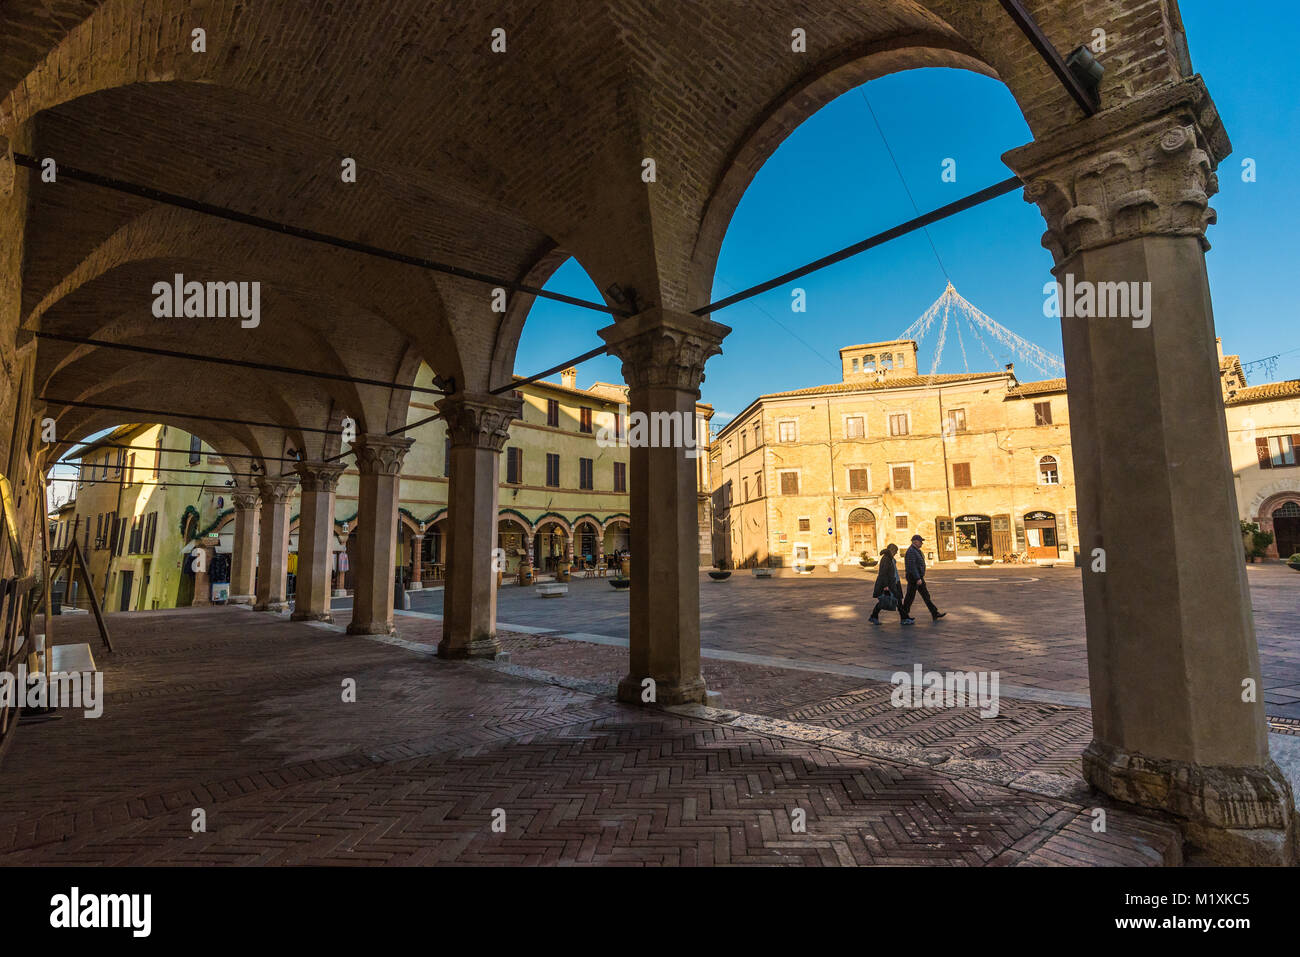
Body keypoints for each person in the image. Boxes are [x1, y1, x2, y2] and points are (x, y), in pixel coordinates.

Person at [902, 534, 946, 625]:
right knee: (910, 597)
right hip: (914, 578)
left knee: (926, 596)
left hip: (918, 577)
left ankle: (934, 613)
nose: (922, 543)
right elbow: (912, 566)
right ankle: (904, 616)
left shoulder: (916, 550)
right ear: (915, 541)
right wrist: (917, 578)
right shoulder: (911, 551)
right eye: (920, 541)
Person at [868, 544, 906, 625]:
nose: (896, 553)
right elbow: (883, 573)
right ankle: (874, 616)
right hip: (889, 583)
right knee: (885, 601)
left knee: (897, 600)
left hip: (893, 582)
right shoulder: (886, 558)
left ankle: (904, 617)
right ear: (892, 550)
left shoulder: (889, 558)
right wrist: (885, 586)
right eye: (895, 551)